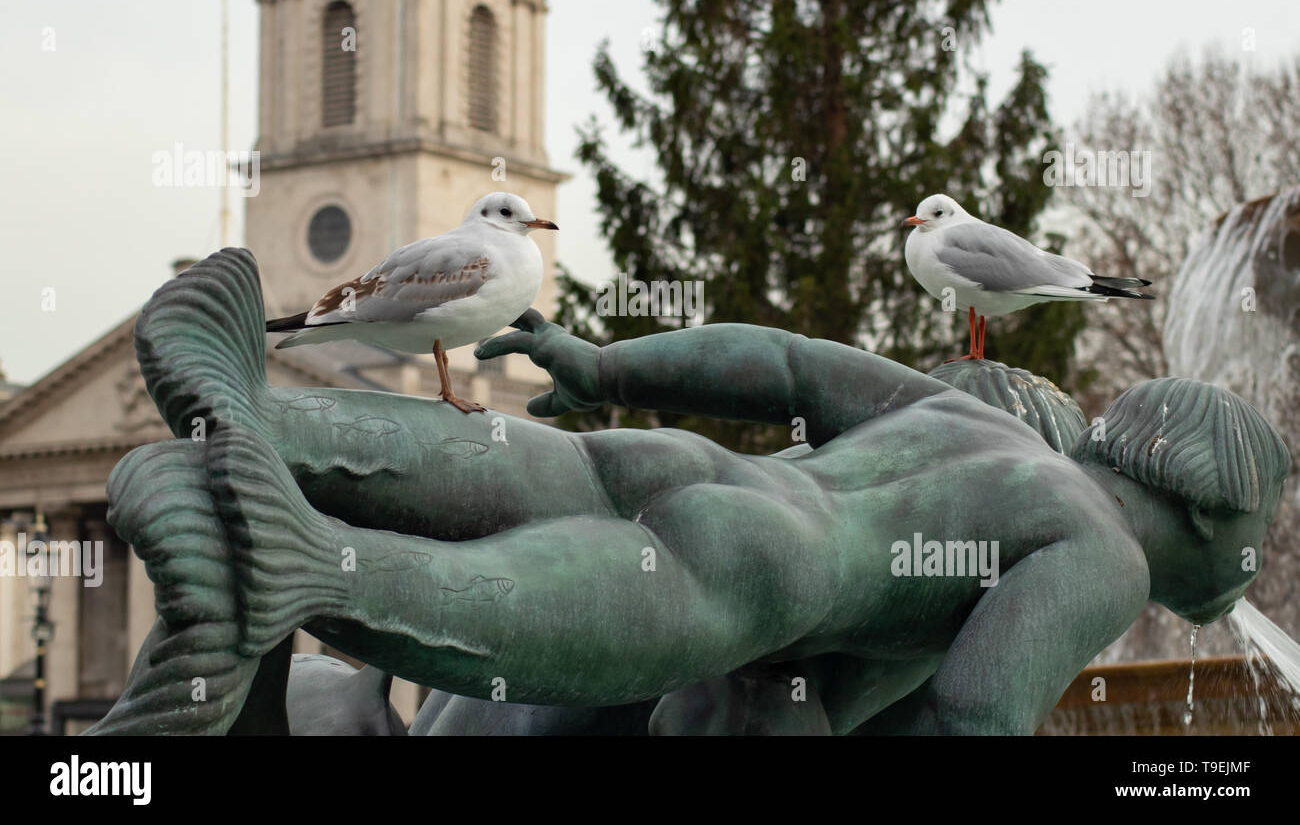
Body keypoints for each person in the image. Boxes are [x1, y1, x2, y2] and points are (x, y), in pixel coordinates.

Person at [91, 250, 1290, 735]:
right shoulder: (1102, 550)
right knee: (502, 603)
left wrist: (603, 366)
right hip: (756, 572)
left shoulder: (972, 419)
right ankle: (288, 558)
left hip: (685, 461)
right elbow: (976, 714)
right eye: (1255, 541)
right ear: (1206, 509)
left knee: (496, 466)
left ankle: (252, 420)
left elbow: (777, 361)